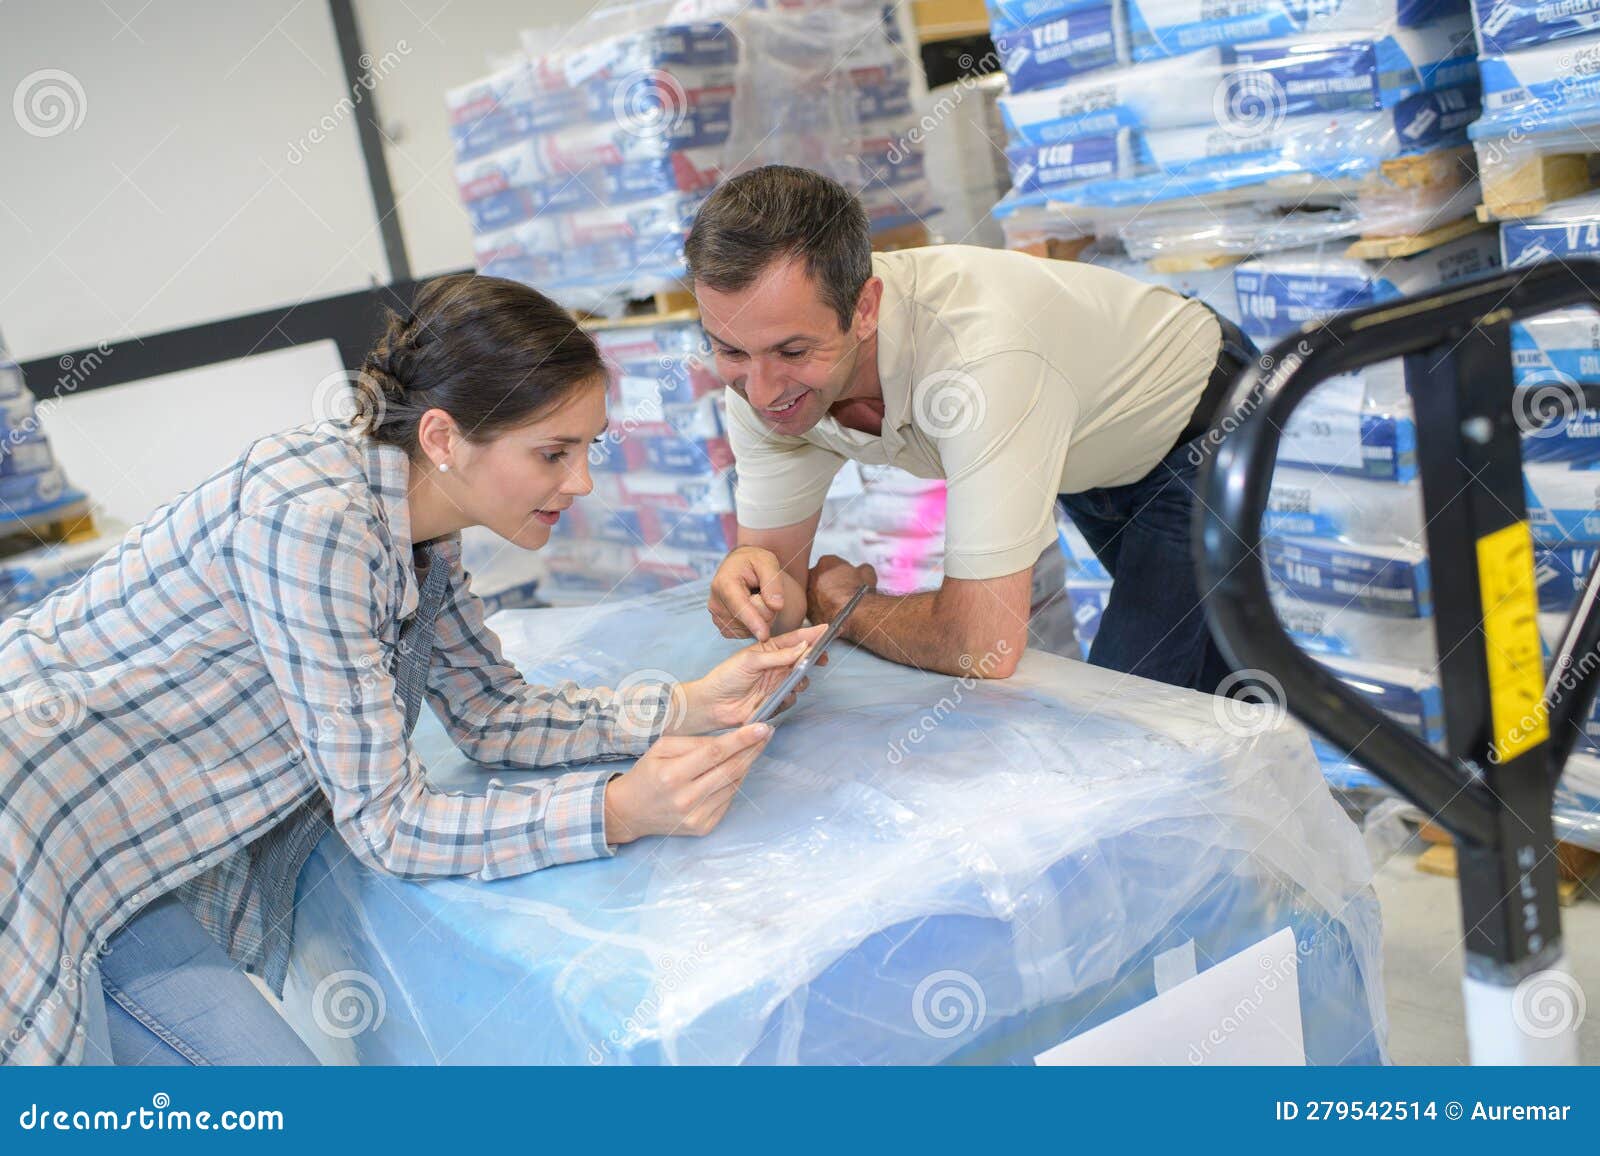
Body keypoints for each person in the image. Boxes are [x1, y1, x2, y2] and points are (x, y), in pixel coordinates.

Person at [0, 274, 826, 1066]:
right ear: (442, 437)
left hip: (104, 861)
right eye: (552, 453)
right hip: (25, 840)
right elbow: (389, 825)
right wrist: (617, 809)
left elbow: (493, 714)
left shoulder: (420, 525)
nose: (580, 480)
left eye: (588, 448)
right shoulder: (318, 524)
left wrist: (686, 704)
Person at [689, 165, 1257, 688]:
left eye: (792, 350)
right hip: (1087, 442)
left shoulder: (979, 360)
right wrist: (753, 587)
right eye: (730, 350)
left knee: (1136, 703)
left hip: (1200, 421)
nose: (760, 391)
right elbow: (780, 588)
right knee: (1212, 678)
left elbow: (981, 646)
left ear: (864, 310)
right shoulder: (765, 372)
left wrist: (844, 604)